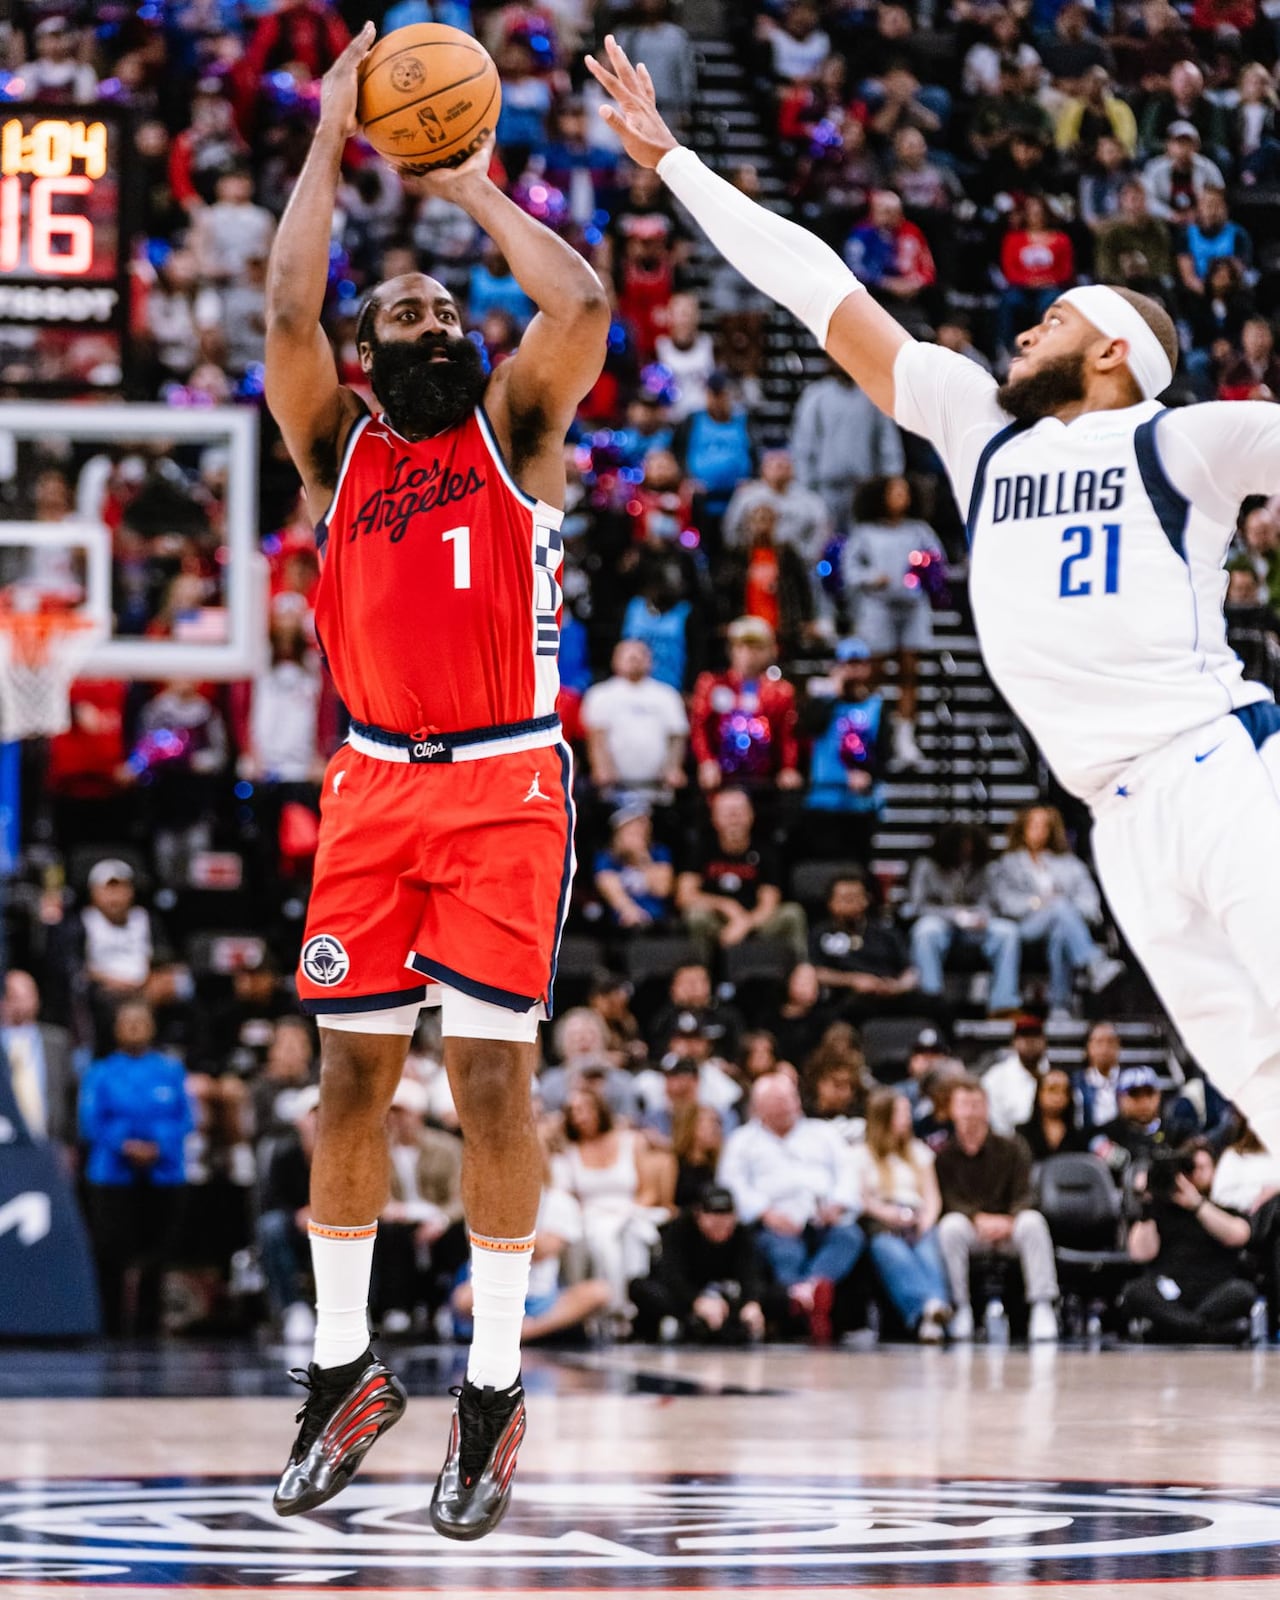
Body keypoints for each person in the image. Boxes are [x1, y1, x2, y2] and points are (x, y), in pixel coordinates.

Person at [587, 39, 1280, 1186]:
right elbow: (819, 290)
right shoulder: (979, 426)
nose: (1020, 331)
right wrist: (676, 167)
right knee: (1256, 1079)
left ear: (1111, 350)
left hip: (1215, 769)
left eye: (1050, 318)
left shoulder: (1181, 438)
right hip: (1111, 815)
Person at [266, 26, 609, 1534]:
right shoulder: (333, 442)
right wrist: (332, 135)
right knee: (348, 1075)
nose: (425, 309)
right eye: (398, 302)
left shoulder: (516, 426)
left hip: (505, 788)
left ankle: (490, 1393)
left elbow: (582, 298)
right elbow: (287, 298)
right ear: (365, 350)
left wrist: (470, 193)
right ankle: (346, 1372)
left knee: (486, 1080)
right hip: (370, 789)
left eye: (441, 304)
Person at [718, 1072, 865, 1343]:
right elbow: (732, 1186)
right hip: (773, 1220)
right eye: (777, 1102)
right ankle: (806, 1306)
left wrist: (837, 1205)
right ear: (759, 1107)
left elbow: (848, 1174)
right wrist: (766, 1213)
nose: (786, 1107)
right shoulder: (742, 1141)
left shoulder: (823, 1134)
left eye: (789, 1099)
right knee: (785, 1252)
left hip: (821, 1218)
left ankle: (806, 1292)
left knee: (849, 1236)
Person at [78, 1002, 193, 1339]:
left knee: (158, 1251)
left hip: (164, 1171)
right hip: (113, 1173)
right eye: (126, 1021)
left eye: (140, 1021)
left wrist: (157, 1145)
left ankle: (149, 1325)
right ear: (115, 1028)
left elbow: (185, 1118)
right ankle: (111, 1325)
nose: (133, 1028)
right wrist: (124, 1145)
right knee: (112, 1251)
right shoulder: (101, 1072)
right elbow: (90, 1121)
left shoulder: (170, 1070)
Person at [934, 1078, 1060, 1342]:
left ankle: (1042, 1305)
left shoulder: (1013, 1147)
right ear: (952, 1110)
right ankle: (961, 1307)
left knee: (1033, 1222)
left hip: (1010, 1229)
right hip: (972, 1230)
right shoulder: (943, 1155)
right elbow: (947, 1199)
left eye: (976, 1105)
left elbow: (1026, 1193)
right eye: (964, 1105)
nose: (971, 1112)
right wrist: (977, 1218)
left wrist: (1010, 1219)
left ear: (987, 1108)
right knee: (950, 1228)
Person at [843, 474, 943, 767]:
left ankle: (905, 738)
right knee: (874, 670)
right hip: (878, 606)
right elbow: (849, 569)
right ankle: (872, 731)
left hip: (912, 607)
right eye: (894, 492)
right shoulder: (865, 532)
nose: (902, 497)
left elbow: (937, 561)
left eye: (904, 491)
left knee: (910, 672)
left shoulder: (919, 531)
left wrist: (924, 575)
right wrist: (872, 578)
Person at [986, 806, 1123, 1017]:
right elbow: (1006, 903)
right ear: (1023, 828)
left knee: (1060, 929)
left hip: (1063, 926)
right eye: (1034, 825)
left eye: (1044, 826)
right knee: (1058, 907)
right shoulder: (1008, 864)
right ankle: (1094, 963)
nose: (1039, 831)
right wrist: (1038, 902)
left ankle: (1060, 1006)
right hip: (1023, 927)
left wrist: (1065, 908)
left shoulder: (1070, 865)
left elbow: (1090, 905)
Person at [551, 1083, 675, 1317]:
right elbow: (568, 1198)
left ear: (600, 1109)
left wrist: (628, 1211)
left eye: (584, 1109)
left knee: (629, 1236)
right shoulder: (569, 1152)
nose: (580, 1117)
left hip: (629, 1210)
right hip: (589, 1216)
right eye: (573, 1111)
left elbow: (648, 1191)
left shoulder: (631, 1141)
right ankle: (616, 1306)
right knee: (604, 1239)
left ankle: (632, 1305)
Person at [1121, 1141, 1256, 1342]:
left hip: (1214, 1292)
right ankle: (1204, 1332)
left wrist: (1197, 1204)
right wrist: (1147, 1202)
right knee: (1135, 1291)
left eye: (1202, 1168)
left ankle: (1172, 1331)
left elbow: (1239, 1236)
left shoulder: (1224, 1207)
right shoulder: (1158, 1210)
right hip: (1169, 1293)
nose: (1196, 1174)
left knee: (1243, 1291)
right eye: (1190, 1168)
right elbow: (1140, 1254)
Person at [853, 1089, 951, 1341]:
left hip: (918, 1218)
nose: (908, 1119)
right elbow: (861, 1200)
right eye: (902, 1113)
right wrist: (890, 1215)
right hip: (881, 1221)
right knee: (891, 1251)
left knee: (929, 1251)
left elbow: (932, 1196)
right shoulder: (860, 1155)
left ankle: (932, 1315)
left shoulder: (919, 1152)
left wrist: (924, 1221)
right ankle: (930, 1307)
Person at [677, 788, 808, 968]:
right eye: (727, 813)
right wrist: (727, 906)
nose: (734, 818)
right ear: (714, 818)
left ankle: (801, 974)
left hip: (757, 921)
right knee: (696, 916)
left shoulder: (766, 851)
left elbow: (769, 902)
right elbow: (684, 896)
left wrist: (745, 923)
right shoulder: (701, 849)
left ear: (751, 815)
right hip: (717, 922)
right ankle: (700, 978)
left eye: (739, 811)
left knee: (792, 913)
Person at [630, 1185, 774, 1342]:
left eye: (725, 1219)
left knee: (775, 1296)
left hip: (726, 1298)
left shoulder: (742, 1234)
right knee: (641, 1288)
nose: (720, 1225)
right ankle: (682, 1323)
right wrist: (697, 1302)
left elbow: (751, 1273)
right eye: (713, 1219)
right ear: (698, 1215)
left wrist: (751, 1303)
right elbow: (670, 1275)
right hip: (685, 1296)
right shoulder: (679, 1229)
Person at [906, 823, 1021, 1015]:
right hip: (941, 923)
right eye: (961, 845)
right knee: (925, 930)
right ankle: (930, 997)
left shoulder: (986, 868)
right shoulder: (926, 866)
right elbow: (917, 907)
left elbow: (994, 903)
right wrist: (954, 915)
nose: (966, 850)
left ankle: (1003, 1004)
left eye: (970, 845)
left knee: (1008, 931)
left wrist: (980, 916)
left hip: (975, 926)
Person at [688, 616, 801, 792]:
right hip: (719, 778)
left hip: (764, 779)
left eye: (757, 648)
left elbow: (788, 735)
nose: (749, 654)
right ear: (732, 650)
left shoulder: (782, 692)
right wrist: (706, 761)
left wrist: (788, 768)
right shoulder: (712, 684)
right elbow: (699, 727)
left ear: (770, 651)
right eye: (742, 647)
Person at [580, 638, 688, 802]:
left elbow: (677, 736)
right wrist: (601, 768)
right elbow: (596, 737)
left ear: (650, 661)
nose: (635, 659)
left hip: (658, 786)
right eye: (629, 655)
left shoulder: (667, 695)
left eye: (640, 655)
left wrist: (673, 768)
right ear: (615, 660)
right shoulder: (600, 694)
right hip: (615, 787)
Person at [808, 875, 922, 1018]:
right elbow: (815, 972)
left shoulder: (885, 931)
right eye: (846, 899)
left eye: (857, 898)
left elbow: (910, 971)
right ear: (831, 903)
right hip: (845, 997)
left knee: (932, 1003)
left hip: (889, 993)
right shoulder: (820, 933)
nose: (853, 904)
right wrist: (853, 980)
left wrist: (898, 986)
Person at [0, 970, 75, 1152]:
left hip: (49, 1145)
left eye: (28, 995)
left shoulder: (57, 1042)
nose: (21, 1002)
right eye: (14, 996)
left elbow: (70, 1095)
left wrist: (70, 1144)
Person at [593, 804, 676, 931]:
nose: (638, 833)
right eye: (631, 830)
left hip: (658, 926)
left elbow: (662, 889)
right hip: (621, 926)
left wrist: (642, 857)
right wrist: (632, 912)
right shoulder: (606, 858)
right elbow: (609, 888)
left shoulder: (659, 853)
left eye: (641, 829)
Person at [982, 1014, 1049, 1137]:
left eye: (1035, 1035)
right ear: (1014, 1042)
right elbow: (995, 1123)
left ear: (1044, 1040)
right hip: (1010, 1147)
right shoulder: (996, 1077)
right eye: (1024, 1036)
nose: (1030, 1042)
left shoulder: (1056, 1076)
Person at [1016, 1066, 1090, 1162]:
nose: (1058, 1097)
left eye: (1064, 1091)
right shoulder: (1022, 1133)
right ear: (1039, 1093)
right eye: (1052, 1090)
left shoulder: (1079, 1137)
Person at [1074, 1019, 1124, 1131]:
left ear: (1118, 1046)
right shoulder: (1076, 1082)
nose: (1105, 1048)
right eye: (1099, 1042)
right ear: (1088, 1047)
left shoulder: (1127, 1081)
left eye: (1110, 1042)